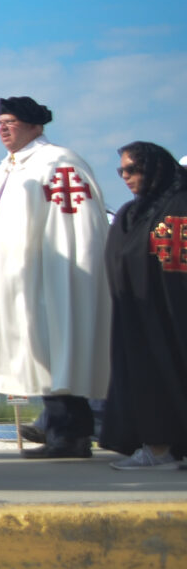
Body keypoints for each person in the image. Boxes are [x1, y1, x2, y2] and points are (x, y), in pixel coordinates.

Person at [0, 97, 112, 459]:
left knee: (56, 351)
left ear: (35, 126)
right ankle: (59, 428)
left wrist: (64, 273)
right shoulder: (8, 168)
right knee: (36, 354)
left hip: (49, 277)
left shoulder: (57, 161)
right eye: (0, 123)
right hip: (13, 278)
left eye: (12, 122)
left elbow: (76, 225)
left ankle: (68, 435)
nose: (4, 129)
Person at [98, 142, 187, 471]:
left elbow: (174, 266)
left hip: (168, 315)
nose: (125, 177)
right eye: (121, 170)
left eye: (133, 169)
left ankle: (163, 448)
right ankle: (156, 446)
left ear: (156, 169)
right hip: (135, 316)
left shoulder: (177, 208)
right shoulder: (132, 212)